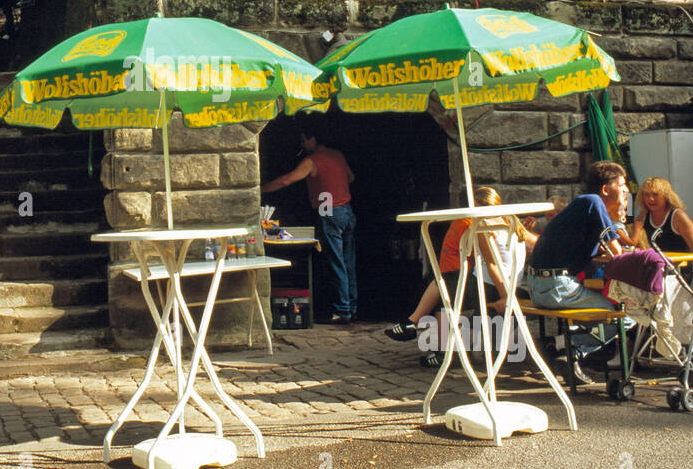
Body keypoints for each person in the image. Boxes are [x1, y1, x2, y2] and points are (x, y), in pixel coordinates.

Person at [385, 187, 538, 366]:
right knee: (444, 286)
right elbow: (537, 244)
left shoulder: (482, 227)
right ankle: (420, 331)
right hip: (510, 285)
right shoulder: (513, 223)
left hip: (491, 287)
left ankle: (423, 334)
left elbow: (493, 264)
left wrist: (506, 297)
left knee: (442, 283)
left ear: (477, 206)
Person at [525, 160, 631, 381]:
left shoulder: (582, 207)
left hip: (541, 287)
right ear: (605, 189)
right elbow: (618, 255)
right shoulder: (593, 202)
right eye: (622, 185)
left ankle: (564, 347)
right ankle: (568, 347)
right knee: (628, 315)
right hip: (557, 288)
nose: (626, 191)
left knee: (610, 310)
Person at [261, 122, 357, 323]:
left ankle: (343, 311)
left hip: (329, 212)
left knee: (336, 262)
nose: (303, 144)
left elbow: (287, 180)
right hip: (347, 211)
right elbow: (350, 177)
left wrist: (260, 189)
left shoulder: (312, 160)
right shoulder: (337, 154)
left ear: (313, 138)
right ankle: (351, 306)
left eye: (304, 139)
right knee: (348, 262)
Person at [631, 176, 693, 292]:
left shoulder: (678, 217)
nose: (650, 199)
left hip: (679, 271)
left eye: (655, 194)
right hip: (655, 271)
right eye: (646, 195)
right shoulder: (643, 215)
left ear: (666, 196)